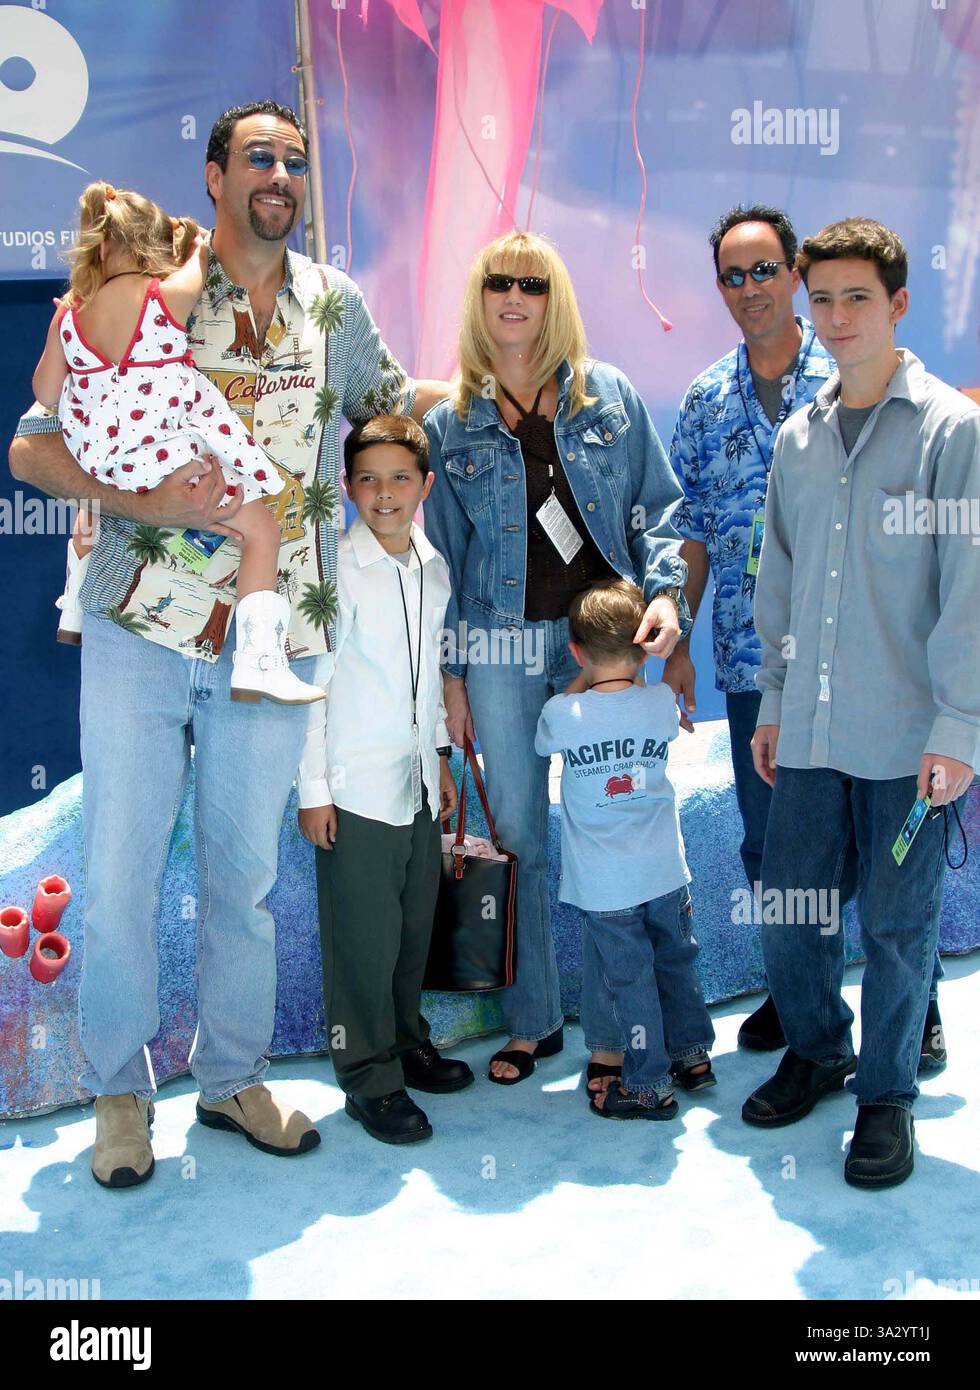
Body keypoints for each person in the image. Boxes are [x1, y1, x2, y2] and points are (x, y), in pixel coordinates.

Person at [8, 100, 449, 1188]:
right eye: (259, 156)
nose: (280, 174)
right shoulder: (139, 293)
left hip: (277, 632)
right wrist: (129, 490)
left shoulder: (332, 307)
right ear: (213, 176)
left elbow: (397, 411)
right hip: (138, 625)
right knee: (117, 875)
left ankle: (232, 1078)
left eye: (296, 160)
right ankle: (121, 1093)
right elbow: (32, 445)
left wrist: (512, 376)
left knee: (245, 880)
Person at [666, 204, 946, 1068]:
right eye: (732, 276)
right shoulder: (708, 399)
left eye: (766, 271)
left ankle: (915, 1012)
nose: (751, 289)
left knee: (886, 863)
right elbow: (695, 527)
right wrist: (676, 632)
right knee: (776, 850)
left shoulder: (861, 366)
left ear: (796, 275)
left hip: (881, 670)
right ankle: (804, 1005)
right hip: (762, 664)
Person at [742, 218, 979, 1188]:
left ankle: (883, 1098)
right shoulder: (795, 435)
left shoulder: (951, 432)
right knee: (791, 906)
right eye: (821, 300)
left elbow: (969, 585)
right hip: (806, 726)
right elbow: (780, 579)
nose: (835, 319)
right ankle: (814, 1048)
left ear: (897, 305)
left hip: (906, 735)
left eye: (855, 299)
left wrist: (957, 726)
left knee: (892, 923)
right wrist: (769, 700)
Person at [423, 231, 690, 1090]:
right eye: (496, 281)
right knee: (522, 839)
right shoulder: (449, 420)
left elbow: (660, 509)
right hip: (496, 646)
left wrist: (664, 600)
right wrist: (453, 677)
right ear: (478, 298)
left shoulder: (606, 394)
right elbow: (443, 561)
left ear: (553, 297)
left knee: (609, 831)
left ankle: (624, 1037)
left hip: (600, 643)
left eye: (531, 284)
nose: (513, 297)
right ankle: (534, 1021)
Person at [32, 179, 322, 705]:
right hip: (166, 459)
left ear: (99, 245)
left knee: (92, 509)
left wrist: (67, 330)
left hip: (103, 461)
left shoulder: (69, 316)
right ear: (154, 246)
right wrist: (192, 242)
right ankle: (260, 662)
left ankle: (74, 599)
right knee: (260, 528)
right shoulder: (163, 295)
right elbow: (205, 255)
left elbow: (44, 392)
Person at [296, 416, 472, 1144]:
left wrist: (439, 757)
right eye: (367, 478)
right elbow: (310, 683)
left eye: (401, 477)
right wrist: (313, 789)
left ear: (426, 486)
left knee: (410, 929)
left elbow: (428, 676)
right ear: (347, 487)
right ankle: (367, 1074)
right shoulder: (332, 573)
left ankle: (404, 1041)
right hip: (355, 788)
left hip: (416, 787)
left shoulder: (433, 567)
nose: (384, 492)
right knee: (362, 942)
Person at [535, 580, 715, 1118]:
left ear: (575, 652)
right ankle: (694, 1056)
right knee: (677, 961)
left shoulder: (561, 716)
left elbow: (546, 740)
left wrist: (581, 681)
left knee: (630, 980)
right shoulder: (659, 703)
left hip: (607, 887)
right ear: (645, 648)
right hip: (666, 873)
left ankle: (646, 1084)